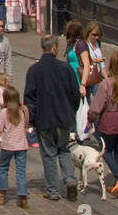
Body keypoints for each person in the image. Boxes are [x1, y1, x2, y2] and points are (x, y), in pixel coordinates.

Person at [24, 33, 81, 201]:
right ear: (54, 47)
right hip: (64, 118)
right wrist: (71, 111)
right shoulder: (65, 68)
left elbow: (29, 98)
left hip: (44, 119)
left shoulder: (34, 70)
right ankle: (70, 179)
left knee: (49, 154)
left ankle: (53, 190)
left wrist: (32, 120)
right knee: (64, 149)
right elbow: (75, 94)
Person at [87, 51, 118, 198]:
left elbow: (96, 107)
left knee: (106, 151)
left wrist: (90, 119)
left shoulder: (106, 84)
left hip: (110, 121)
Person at [0, 86, 30, 209]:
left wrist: (3, 132)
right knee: (21, 171)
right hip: (21, 145)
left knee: (3, 168)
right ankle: (22, 196)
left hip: (7, 145)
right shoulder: (24, 110)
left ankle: (1, 195)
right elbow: (26, 124)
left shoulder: (4, 112)